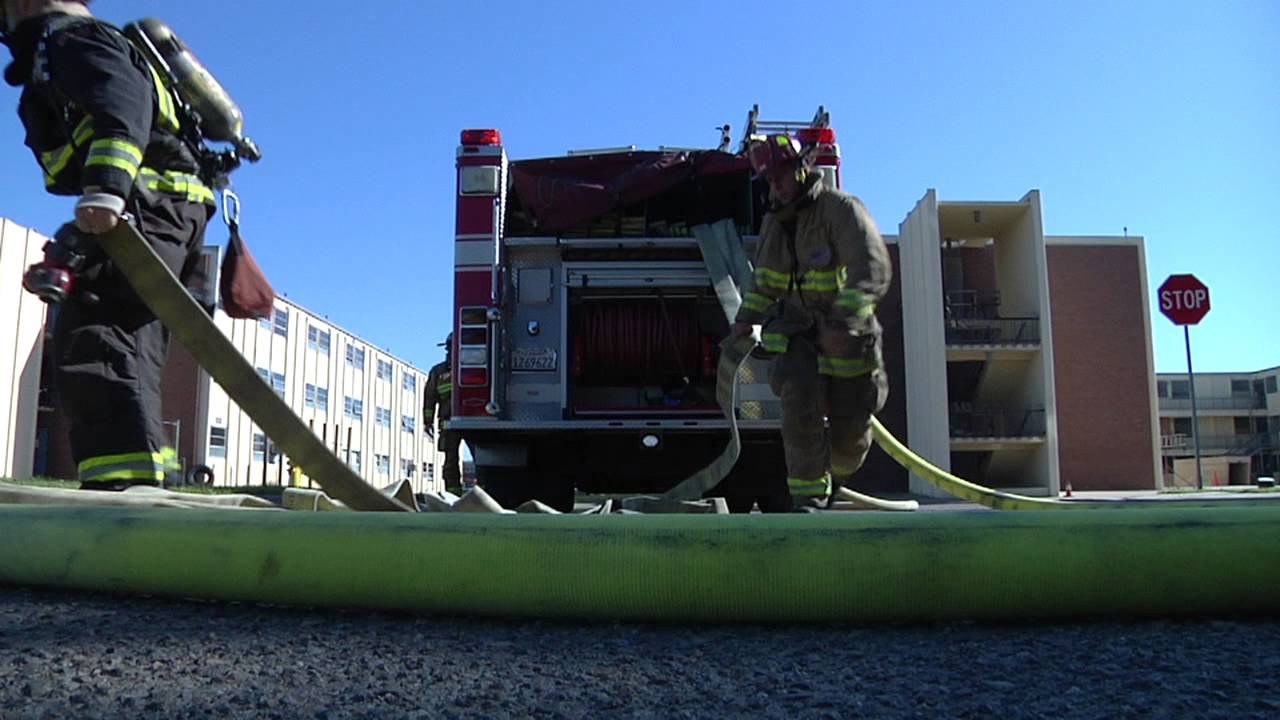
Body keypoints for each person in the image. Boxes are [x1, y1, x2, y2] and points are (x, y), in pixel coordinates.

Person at [3, 0, 216, 489]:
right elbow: (62, 170)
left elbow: (123, 104)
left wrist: (105, 188)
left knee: (98, 332)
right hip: (168, 207)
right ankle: (142, 480)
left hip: (148, 202)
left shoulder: (73, 38)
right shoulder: (66, 48)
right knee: (129, 342)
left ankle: (121, 486)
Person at [731, 133, 892, 510]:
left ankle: (837, 477)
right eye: (769, 179)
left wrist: (843, 322)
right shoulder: (774, 223)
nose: (776, 185)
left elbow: (872, 268)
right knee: (799, 413)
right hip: (797, 335)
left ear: (803, 168)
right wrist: (744, 320)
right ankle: (808, 502)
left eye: (781, 175)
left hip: (846, 340)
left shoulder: (840, 210)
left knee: (849, 437)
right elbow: (764, 283)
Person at [424, 334, 462, 494]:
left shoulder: (471, 368)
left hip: (475, 421)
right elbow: (430, 397)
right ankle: (453, 495)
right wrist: (428, 421)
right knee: (450, 462)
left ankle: (481, 495)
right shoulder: (438, 372)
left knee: (482, 459)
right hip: (448, 423)